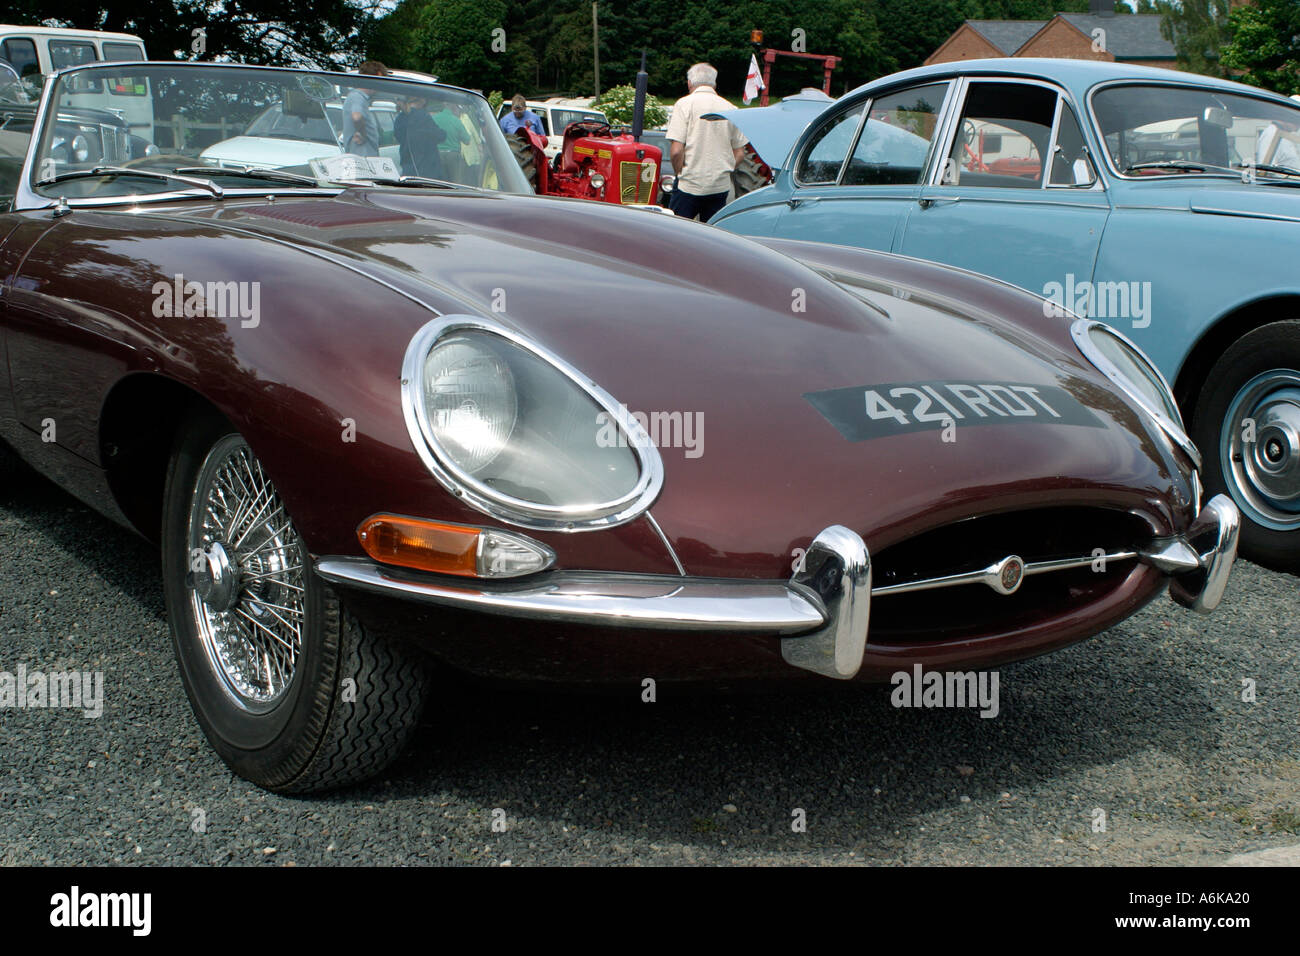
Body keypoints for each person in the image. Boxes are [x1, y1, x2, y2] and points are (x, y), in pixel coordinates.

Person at [665, 63, 748, 221]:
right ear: (714, 83)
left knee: (678, 234)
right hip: (719, 186)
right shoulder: (731, 108)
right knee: (711, 235)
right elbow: (739, 153)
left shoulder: (684, 104)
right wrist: (725, 169)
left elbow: (676, 151)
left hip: (688, 184)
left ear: (690, 82)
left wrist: (679, 172)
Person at [394, 94, 446, 179]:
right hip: (427, 169)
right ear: (422, 100)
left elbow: (398, 137)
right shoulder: (423, 116)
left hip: (408, 168)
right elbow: (440, 136)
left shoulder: (399, 118)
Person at [342, 60, 388, 157]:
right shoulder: (357, 96)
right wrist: (362, 133)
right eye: (381, 80)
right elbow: (357, 117)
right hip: (362, 158)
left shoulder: (359, 97)